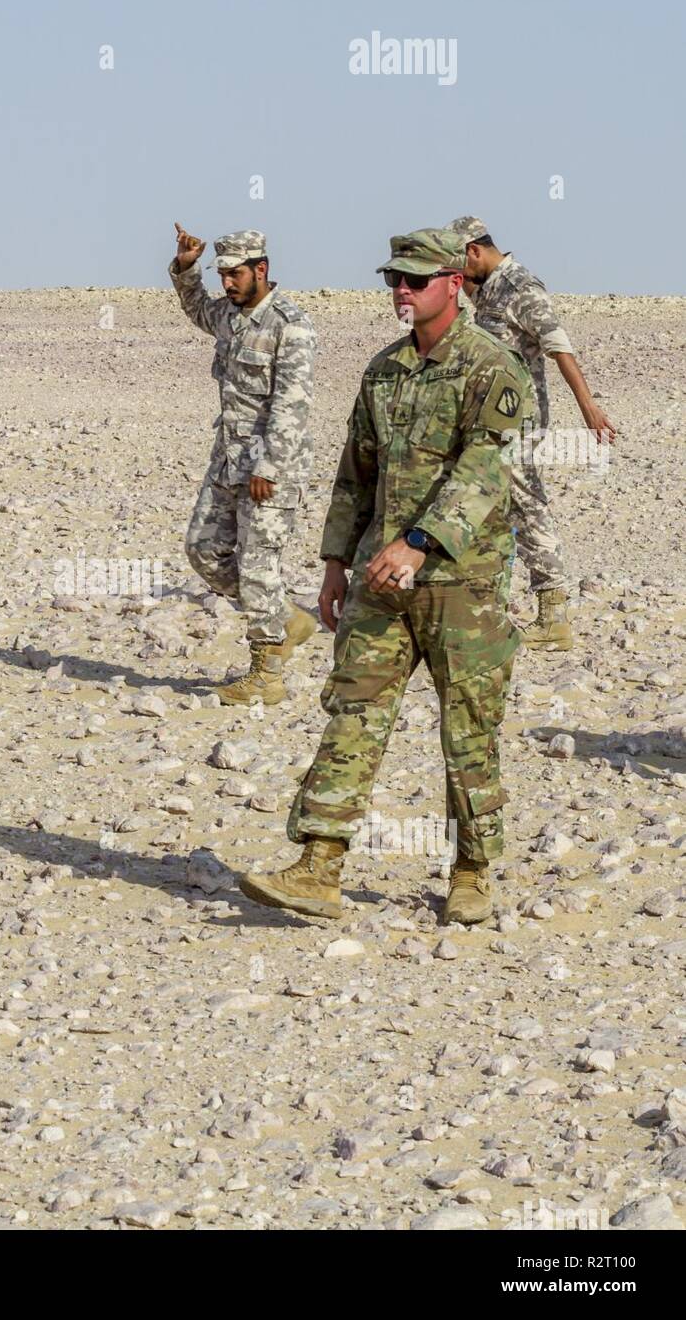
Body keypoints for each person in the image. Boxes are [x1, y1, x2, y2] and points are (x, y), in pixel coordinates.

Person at [240, 229, 531, 926]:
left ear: (454, 284)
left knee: (468, 729)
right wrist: (336, 562)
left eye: (416, 280)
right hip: (379, 576)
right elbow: (355, 473)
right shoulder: (384, 371)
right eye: (393, 280)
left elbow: (483, 469)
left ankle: (472, 869)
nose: (402, 291)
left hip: (463, 584)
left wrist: (420, 543)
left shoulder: (492, 367)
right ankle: (319, 864)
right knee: (353, 712)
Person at [447, 216, 617, 650]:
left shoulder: (521, 287)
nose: (457, 275)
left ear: (474, 251)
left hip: (518, 421)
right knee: (482, 504)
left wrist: (589, 408)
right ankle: (480, 602)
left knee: (527, 505)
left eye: (458, 264)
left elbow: (559, 346)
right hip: (488, 419)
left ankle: (554, 615)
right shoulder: (485, 289)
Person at [170, 224, 318, 706]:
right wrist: (187, 269)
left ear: (262, 269)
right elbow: (197, 310)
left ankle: (267, 673)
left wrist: (269, 467)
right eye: (223, 275)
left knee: (258, 565)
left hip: (270, 467)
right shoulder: (231, 317)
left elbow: (291, 405)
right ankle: (283, 617)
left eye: (235, 274)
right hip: (229, 460)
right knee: (203, 550)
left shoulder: (289, 325)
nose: (228, 284)